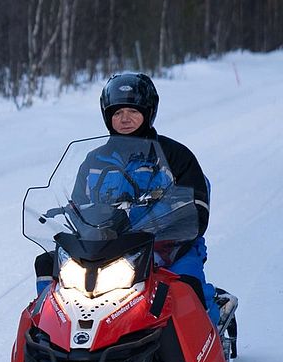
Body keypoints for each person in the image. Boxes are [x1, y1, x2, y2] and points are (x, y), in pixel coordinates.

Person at [36, 72, 216, 316]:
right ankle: (46, 324)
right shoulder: (94, 160)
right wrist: (65, 214)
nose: (125, 119)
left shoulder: (174, 156)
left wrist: (145, 217)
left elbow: (196, 208)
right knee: (49, 264)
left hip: (166, 247)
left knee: (186, 289)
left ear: (148, 112)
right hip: (106, 250)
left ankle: (205, 336)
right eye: (117, 113)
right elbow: (79, 204)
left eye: (133, 111)